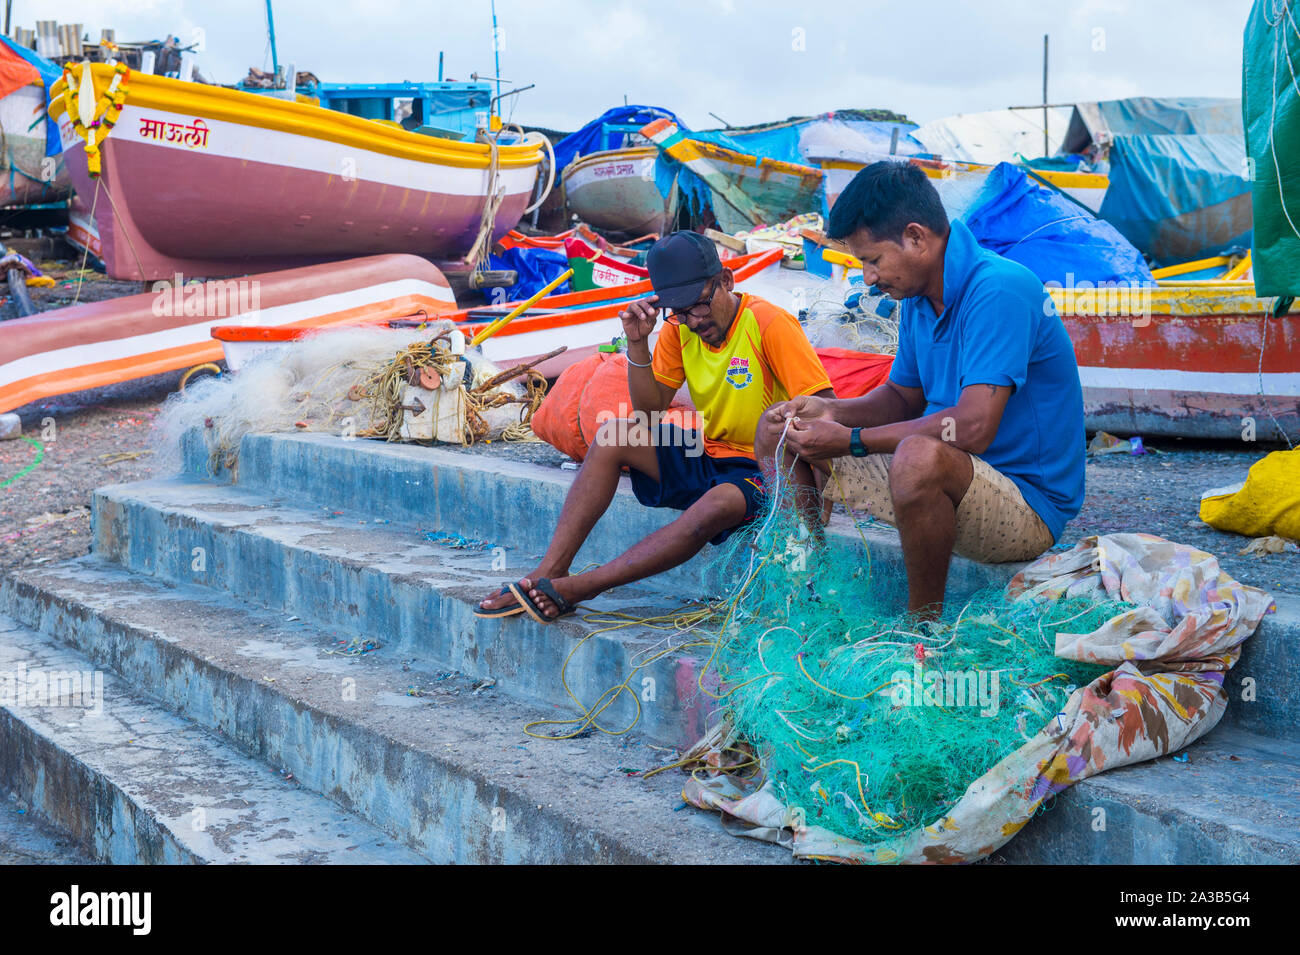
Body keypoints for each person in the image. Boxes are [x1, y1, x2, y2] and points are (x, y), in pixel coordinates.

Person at [756, 160, 1085, 619]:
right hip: (954, 475)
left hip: (1025, 504)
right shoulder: (917, 296)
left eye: (873, 260)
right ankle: (809, 584)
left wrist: (851, 441)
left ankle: (922, 629)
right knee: (779, 427)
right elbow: (900, 397)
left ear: (916, 237)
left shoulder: (999, 289)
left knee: (917, 455)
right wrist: (832, 414)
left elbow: (971, 427)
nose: (868, 277)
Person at [477, 230, 834, 623]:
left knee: (715, 504)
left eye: (699, 306)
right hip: (710, 451)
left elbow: (825, 408)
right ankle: (549, 571)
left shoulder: (769, 323)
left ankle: (581, 587)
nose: (693, 321)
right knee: (614, 435)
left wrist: (819, 500)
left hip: (767, 468)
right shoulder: (679, 328)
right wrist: (636, 344)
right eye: (678, 312)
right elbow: (649, 413)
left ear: (726, 282)